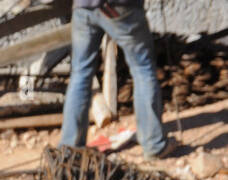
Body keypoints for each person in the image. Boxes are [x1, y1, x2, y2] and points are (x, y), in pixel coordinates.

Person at [60, 0, 169, 158]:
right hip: (119, 6)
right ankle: (154, 145)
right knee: (142, 69)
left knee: (80, 73)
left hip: (83, 7)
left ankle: (69, 150)